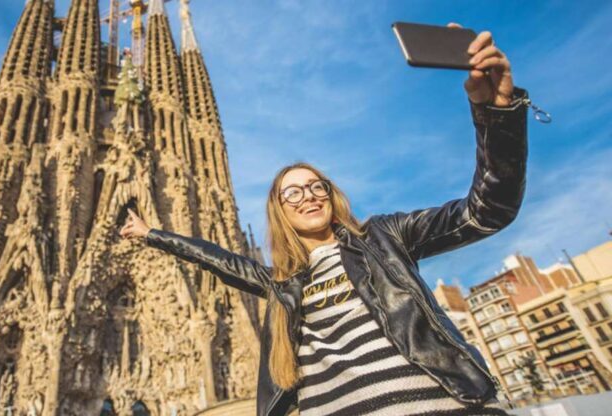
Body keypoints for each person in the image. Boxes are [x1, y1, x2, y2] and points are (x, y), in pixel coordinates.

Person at [120, 24, 526, 416]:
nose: (308, 197)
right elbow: (217, 259)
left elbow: (486, 210)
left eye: (318, 187)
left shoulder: (384, 240)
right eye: (292, 192)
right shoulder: (283, 283)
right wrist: (150, 233)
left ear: (333, 196)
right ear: (279, 210)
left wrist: (496, 112)